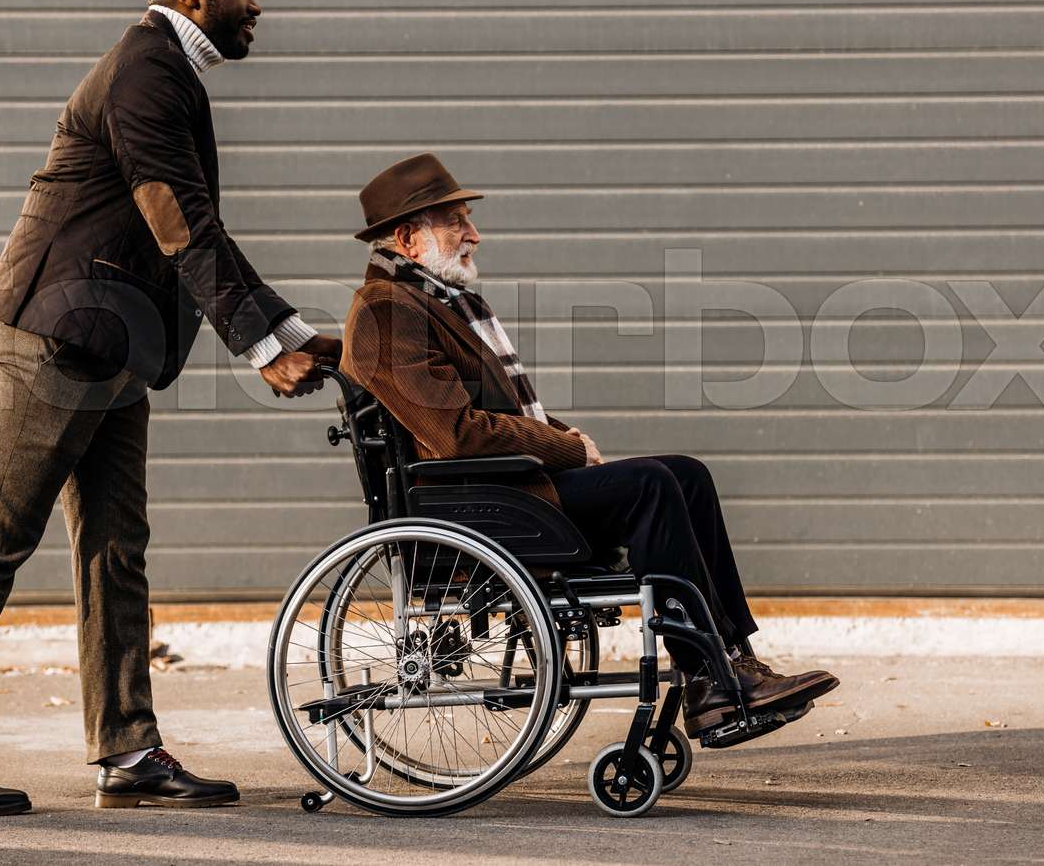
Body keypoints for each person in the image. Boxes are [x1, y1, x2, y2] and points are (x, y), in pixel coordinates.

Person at [0, 0, 340, 817]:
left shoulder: (168, 70)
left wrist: (290, 331)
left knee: (115, 549)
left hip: (110, 345)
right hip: (55, 339)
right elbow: (177, 221)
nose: (256, 4)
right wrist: (262, 351)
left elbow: (201, 226)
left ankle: (128, 750)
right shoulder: (145, 70)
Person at [339, 153, 838, 741]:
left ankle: (731, 661)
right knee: (651, 486)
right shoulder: (386, 313)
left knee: (687, 474)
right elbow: (456, 434)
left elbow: (499, 412)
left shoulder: (435, 304)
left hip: (507, 486)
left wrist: (561, 438)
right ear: (408, 239)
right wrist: (566, 449)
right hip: (478, 502)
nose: (474, 234)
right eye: (456, 222)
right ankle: (710, 678)